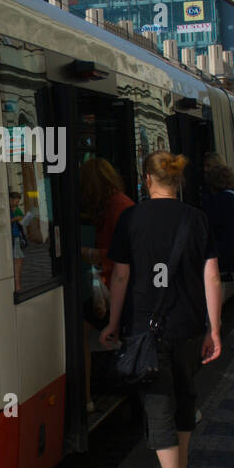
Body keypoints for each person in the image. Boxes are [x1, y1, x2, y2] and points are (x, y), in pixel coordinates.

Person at [101, 152, 222, 468]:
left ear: (147, 180)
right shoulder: (196, 219)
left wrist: (111, 321)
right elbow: (211, 276)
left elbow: (120, 275)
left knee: (158, 404)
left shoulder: (131, 218)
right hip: (188, 325)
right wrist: (214, 329)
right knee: (185, 395)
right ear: (179, 181)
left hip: (144, 328)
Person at [80, 158, 135, 412]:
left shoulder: (117, 208)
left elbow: (121, 256)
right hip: (111, 283)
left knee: (80, 331)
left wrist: (88, 253)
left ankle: (87, 397)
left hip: (115, 285)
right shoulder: (117, 204)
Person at [203, 154, 234, 353]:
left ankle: (212, 333)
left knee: (213, 296)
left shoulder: (218, 200)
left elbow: (209, 227)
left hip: (226, 255)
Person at [10, 191, 27, 292]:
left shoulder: (16, 210)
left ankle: (17, 284)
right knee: (18, 259)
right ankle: (17, 285)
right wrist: (16, 219)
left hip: (16, 235)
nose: (17, 203)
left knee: (19, 258)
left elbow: (23, 222)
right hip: (13, 235)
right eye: (16, 201)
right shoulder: (9, 210)